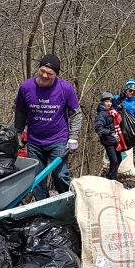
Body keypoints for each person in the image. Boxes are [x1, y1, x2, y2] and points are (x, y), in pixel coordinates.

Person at [13, 53, 83, 200]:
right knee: (37, 180)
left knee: (60, 175)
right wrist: (18, 132)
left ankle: (69, 203)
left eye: (49, 73)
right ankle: (44, 212)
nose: (44, 75)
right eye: (42, 71)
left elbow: (76, 114)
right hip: (34, 141)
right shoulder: (26, 87)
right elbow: (20, 111)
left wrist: (73, 137)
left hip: (58, 139)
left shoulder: (65, 88)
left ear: (56, 75)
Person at [115, 78, 135, 178]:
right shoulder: (118, 98)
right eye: (130, 90)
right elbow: (110, 107)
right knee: (116, 152)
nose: (132, 92)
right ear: (126, 89)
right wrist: (119, 100)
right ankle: (114, 172)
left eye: (134, 91)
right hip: (118, 129)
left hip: (131, 131)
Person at [94, 91, 123, 180]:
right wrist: (110, 133)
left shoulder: (111, 112)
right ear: (102, 102)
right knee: (114, 161)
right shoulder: (102, 114)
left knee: (119, 160)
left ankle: (111, 177)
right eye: (106, 101)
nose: (109, 103)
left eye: (110, 102)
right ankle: (112, 180)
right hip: (108, 141)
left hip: (114, 140)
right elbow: (98, 128)